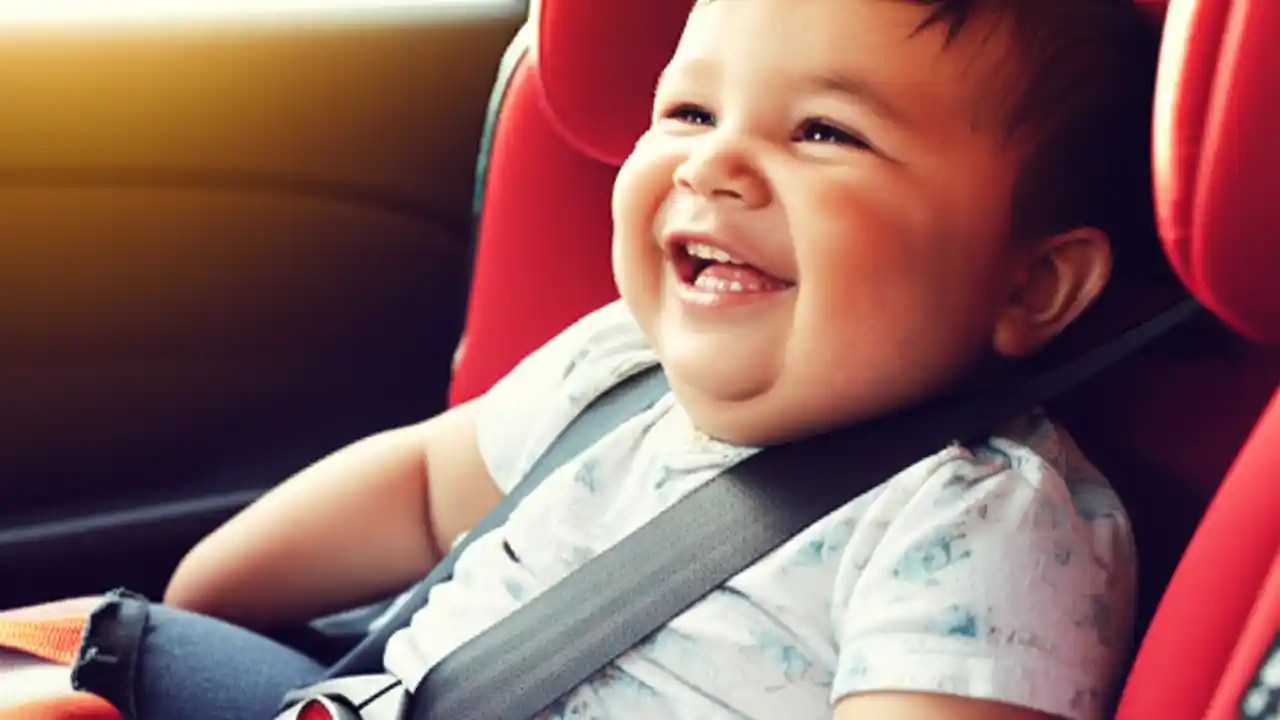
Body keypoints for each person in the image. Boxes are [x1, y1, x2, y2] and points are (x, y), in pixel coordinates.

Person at [18, 0, 1171, 718]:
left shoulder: (983, 523)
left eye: (823, 131)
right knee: (54, 651)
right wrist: (196, 610)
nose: (714, 165)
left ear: (1029, 284)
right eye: (686, 111)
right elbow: (418, 491)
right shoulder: (621, 365)